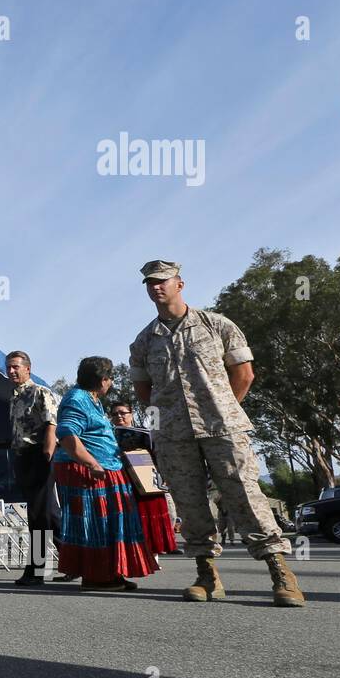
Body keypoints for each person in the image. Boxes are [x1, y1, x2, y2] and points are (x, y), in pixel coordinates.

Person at [129, 260, 304, 607]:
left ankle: (281, 573)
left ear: (180, 284)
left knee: (245, 494)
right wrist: (171, 417)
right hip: (176, 435)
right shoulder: (145, 341)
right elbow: (143, 389)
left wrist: (223, 407)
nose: (156, 287)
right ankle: (206, 575)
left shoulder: (216, 325)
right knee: (190, 502)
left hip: (223, 427)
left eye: (163, 281)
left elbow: (244, 373)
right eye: (150, 283)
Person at [53, 357, 157, 590]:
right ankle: (97, 577)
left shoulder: (92, 400)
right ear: (102, 380)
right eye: (109, 378)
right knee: (97, 521)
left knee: (113, 520)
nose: (110, 383)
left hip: (106, 466)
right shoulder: (77, 399)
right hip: (89, 470)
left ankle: (111, 572)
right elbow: (67, 433)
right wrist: (91, 463)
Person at [5, 351, 65, 585]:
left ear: (27, 369)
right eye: (8, 367)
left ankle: (36, 570)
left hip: (40, 454)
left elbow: (52, 425)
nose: (11, 371)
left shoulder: (40, 392)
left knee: (38, 515)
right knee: (50, 514)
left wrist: (48, 455)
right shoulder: (14, 397)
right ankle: (77, 560)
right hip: (22, 456)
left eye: (15, 367)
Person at [110, 401, 179, 556]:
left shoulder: (146, 432)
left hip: (149, 477)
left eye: (122, 413)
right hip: (122, 479)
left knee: (166, 512)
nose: (119, 416)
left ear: (131, 413)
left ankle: (158, 547)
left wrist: (164, 475)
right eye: (115, 414)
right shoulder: (108, 434)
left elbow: (159, 454)